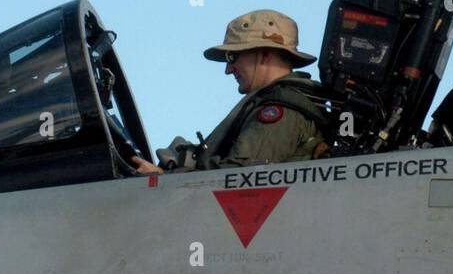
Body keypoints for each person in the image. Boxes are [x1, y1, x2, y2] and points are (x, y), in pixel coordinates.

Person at [131, 10, 330, 172]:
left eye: (232, 58)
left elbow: (236, 178)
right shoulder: (285, 104)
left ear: (264, 55)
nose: (228, 70)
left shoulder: (282, 111)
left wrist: (162, 181)